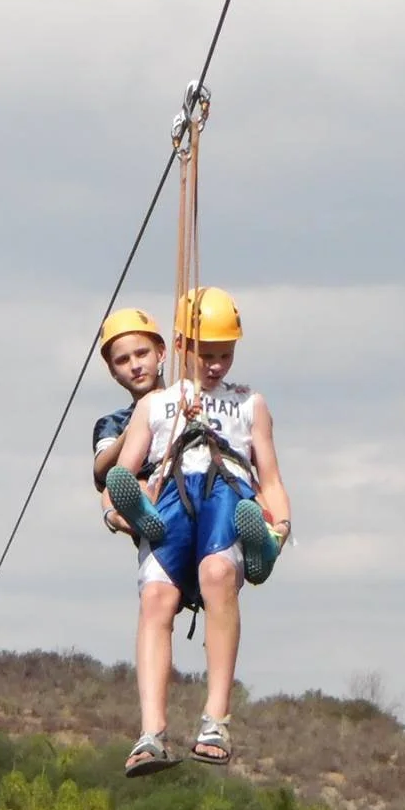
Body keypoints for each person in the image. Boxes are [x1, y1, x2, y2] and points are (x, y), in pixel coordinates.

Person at [105, 286, 290, 775]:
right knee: (156, 600)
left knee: (215, 576)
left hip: (226, 488)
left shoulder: (250, 402)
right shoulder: (154, 407)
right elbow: (118, 477)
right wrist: (120, 512)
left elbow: (270, 477)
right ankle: (151, 733)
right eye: (206, 355)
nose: (215, 365)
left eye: (224, 355)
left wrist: (283, 521)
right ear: (183, 347)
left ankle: (215, 720)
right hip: (170, 492)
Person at [92, 308, 166, 533]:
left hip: (182, 481)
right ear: (113, 370)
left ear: (161, 354)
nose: (135, 366)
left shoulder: (183, 402)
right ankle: (137, 522)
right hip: (147, 487)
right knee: (113, 490)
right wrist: (135, 426)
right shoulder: (114, 423)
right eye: (123, 360)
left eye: (142, 354)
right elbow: (101, 470)